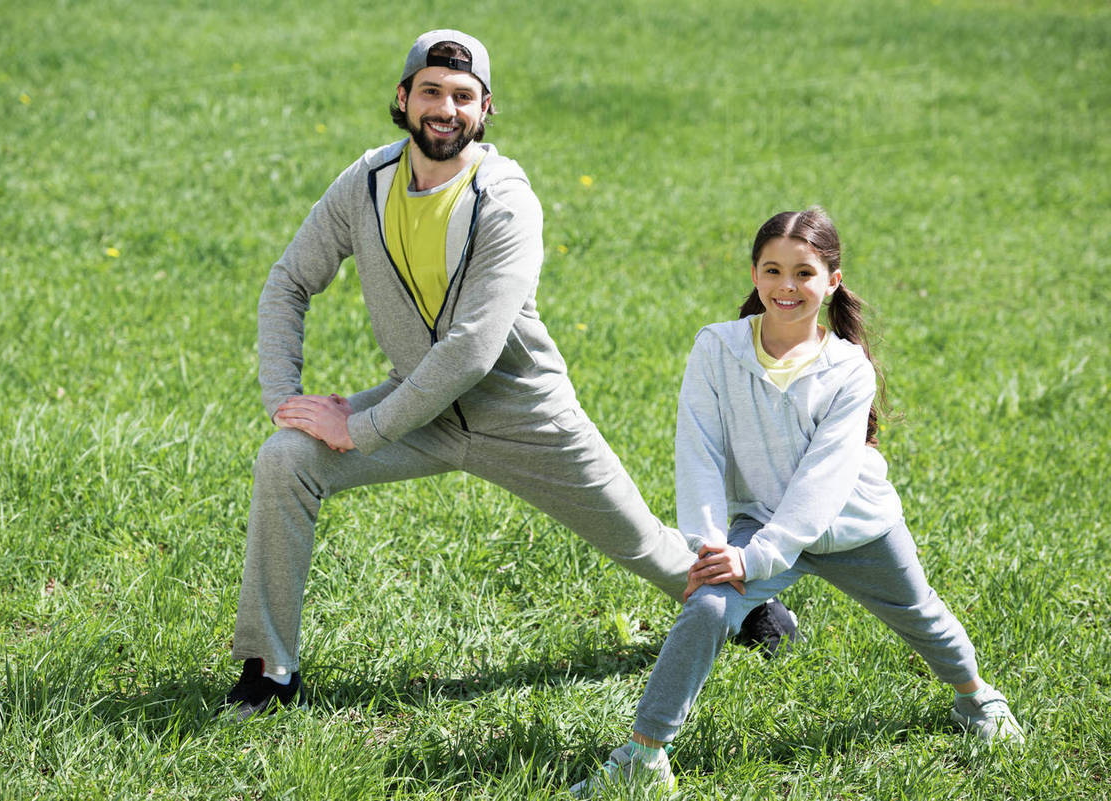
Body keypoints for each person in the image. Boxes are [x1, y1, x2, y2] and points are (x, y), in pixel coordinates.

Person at [221, 30, 797, 720]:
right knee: (286, 460)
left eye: (463, 96)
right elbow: (288, 280)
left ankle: (745, 602)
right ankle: (269, 669)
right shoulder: (365, 183)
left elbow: (471, 349)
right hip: (422, 408)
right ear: (403, 99)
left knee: (641, 541)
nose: (445, 108)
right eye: (430, 91)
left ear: (485, 109)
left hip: (524, 413)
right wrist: (284, 396)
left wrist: (363, 424)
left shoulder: (507, 200)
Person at [569, 208, 1025, 797]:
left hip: (852, 528)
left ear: (832, 281)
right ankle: (644, 756)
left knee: (921, 616)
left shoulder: (847, 369)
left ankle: (977, 700)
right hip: (757, 522)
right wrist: (713, 548)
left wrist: (757, 559)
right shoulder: (716, 348)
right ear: (755, 275)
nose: (788, 286)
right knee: (706, 608)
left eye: (805, 273)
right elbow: (699, 451)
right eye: (773, 270)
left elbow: (822, 483)